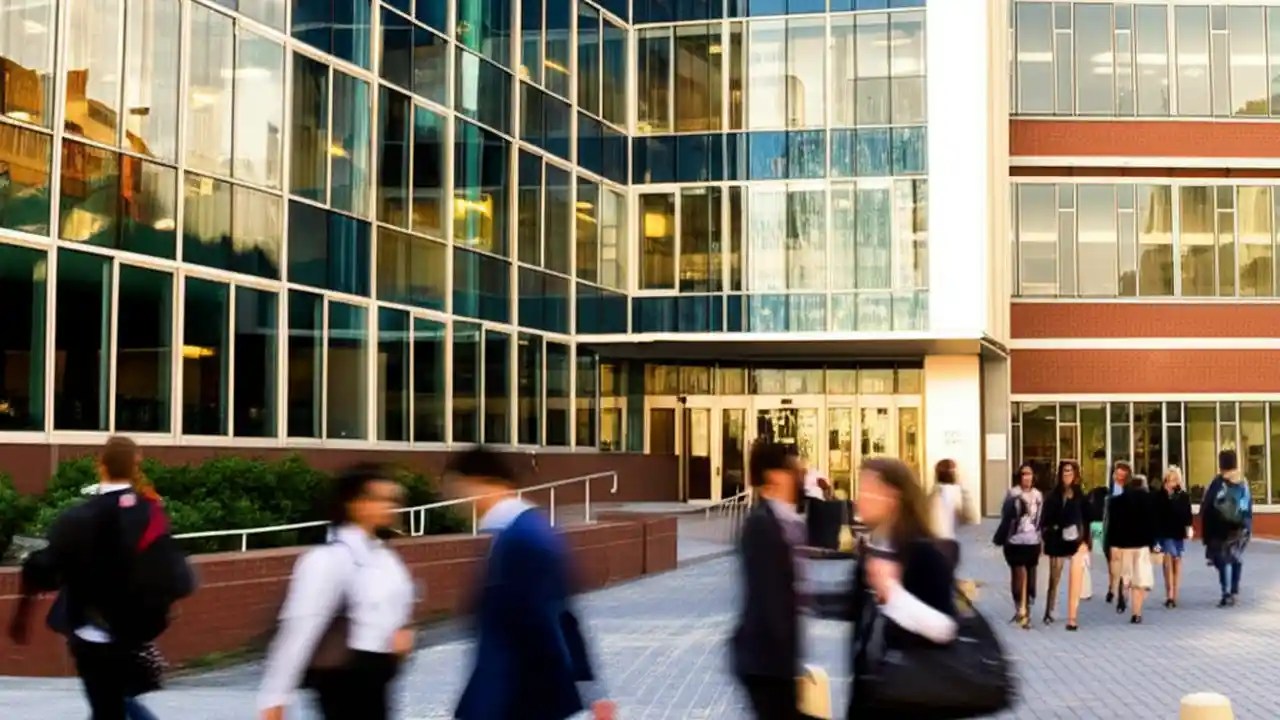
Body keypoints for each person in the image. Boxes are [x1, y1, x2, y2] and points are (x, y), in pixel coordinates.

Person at [8, 437, 194, 720]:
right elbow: (176, 576)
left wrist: (22, 615)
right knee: (114, 703)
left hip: (90, 633)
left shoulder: (77, 518)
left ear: (101, 466)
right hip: (134, 633)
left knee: (107, 705)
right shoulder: (151, 514)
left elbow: (43, 569)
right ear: (135, 465)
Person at [448, 447, 614, 720]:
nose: (459, 500)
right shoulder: (524, 530)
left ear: (479, 482)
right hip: (516, 697)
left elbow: (546, 623)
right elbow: (565, 616)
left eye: (459, 489)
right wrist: (591, 688)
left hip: (514, 700)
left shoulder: (523, 538)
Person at [258, 464, 416, 720]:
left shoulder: (383, 556)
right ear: (353, 504)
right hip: (344, 676)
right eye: (379, 498)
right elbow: (300, 626)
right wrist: (276, 697)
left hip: (380, 675)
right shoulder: (328, 559)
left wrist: (401, 634)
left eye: (392, 499)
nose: (389, 506)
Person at [845, 457, 958, 718]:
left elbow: (946, 628)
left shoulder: (923, 552)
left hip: (911, 697)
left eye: (869, 490)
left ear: (892, 496)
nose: (860, 498)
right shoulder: (870, 549)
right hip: (873, 695)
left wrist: (893, 594)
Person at [731, 441, 803, 719]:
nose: (800, 476)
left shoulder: (784, 520)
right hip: (766, 663)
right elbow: (770, 597)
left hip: (773, 662)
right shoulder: (762, 525)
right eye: (793, 470)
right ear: (775, 476)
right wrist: (789, 663)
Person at [1039, 461, 1090, 631]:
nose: (1067, 474)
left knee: (1075, 579)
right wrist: (1049, 532)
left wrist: (1086, 541)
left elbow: (1086, 518)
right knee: (1054, 577)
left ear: (1075, 474)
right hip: (1057, 540)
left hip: (1075, 540)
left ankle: (1072, 616)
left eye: (1070, 471)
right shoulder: (1053, 495)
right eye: (1064, 471)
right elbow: (1046, 519)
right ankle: (1049, 609)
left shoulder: (1080, 495)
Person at [1199, 450, 1253, 608]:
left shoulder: (1218, 482)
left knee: (1223, 560)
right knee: (1235, 557)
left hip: (1220, 528)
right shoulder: (1243, 482)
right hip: (1241, 527)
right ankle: (1234, 590)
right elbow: (1247, 506)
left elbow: (1207, 506)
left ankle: (1226, 593)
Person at [1106, 472, 1156, 624]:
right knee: (1140, 581)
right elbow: (1153, 524)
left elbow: (1112, 527)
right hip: (1141, 546)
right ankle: (1136, 613)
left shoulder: (1115, 502)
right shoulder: (1149, 500)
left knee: (1126, 576)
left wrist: (1112, 545)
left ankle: (1123, 593)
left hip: (1124, 546)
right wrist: (1153, 544)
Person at [1000, 463, 1042, 629]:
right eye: (1024, 474)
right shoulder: (1013, 494)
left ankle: (1027, 608)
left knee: (1030, 577)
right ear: (1019, 476)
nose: (1027, 477)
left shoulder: (1038, 495)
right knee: (1017, 574)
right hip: (1015, 541)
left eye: (1030, 474)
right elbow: (1006, 515)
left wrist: (1040, 538)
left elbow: (1040, 519)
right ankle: (1020, 608)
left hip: (1032, 541)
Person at [1153, 466, 1193, 609]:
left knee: (1177, 561)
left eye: (1175, 480)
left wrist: (1189, 528)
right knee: (1168, 559)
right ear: (1165, 480)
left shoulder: (1183, 495)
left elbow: (1188, 515)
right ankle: (1170, 594)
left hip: (1178, 532)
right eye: (1170, 480)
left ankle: (1174, 593)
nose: (1173, 483)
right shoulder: (1159, 495)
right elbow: (1155, 515)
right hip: (1164, 533)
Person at [1104, 461, 1133, 607]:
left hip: (1126, 531)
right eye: (1117, 474)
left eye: (1123, 475)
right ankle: (1112, 586)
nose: (1119, 477)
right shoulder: (1109, 491)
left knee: (1125, 564)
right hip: (1111, 530)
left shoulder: (1130, 491)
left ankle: (1122, 592)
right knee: (1112, 562)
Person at [929, 459, 966, 568]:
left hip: (933, 538)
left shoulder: (934, 490)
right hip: (947, 538)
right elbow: (960, 514)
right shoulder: (955, 491)